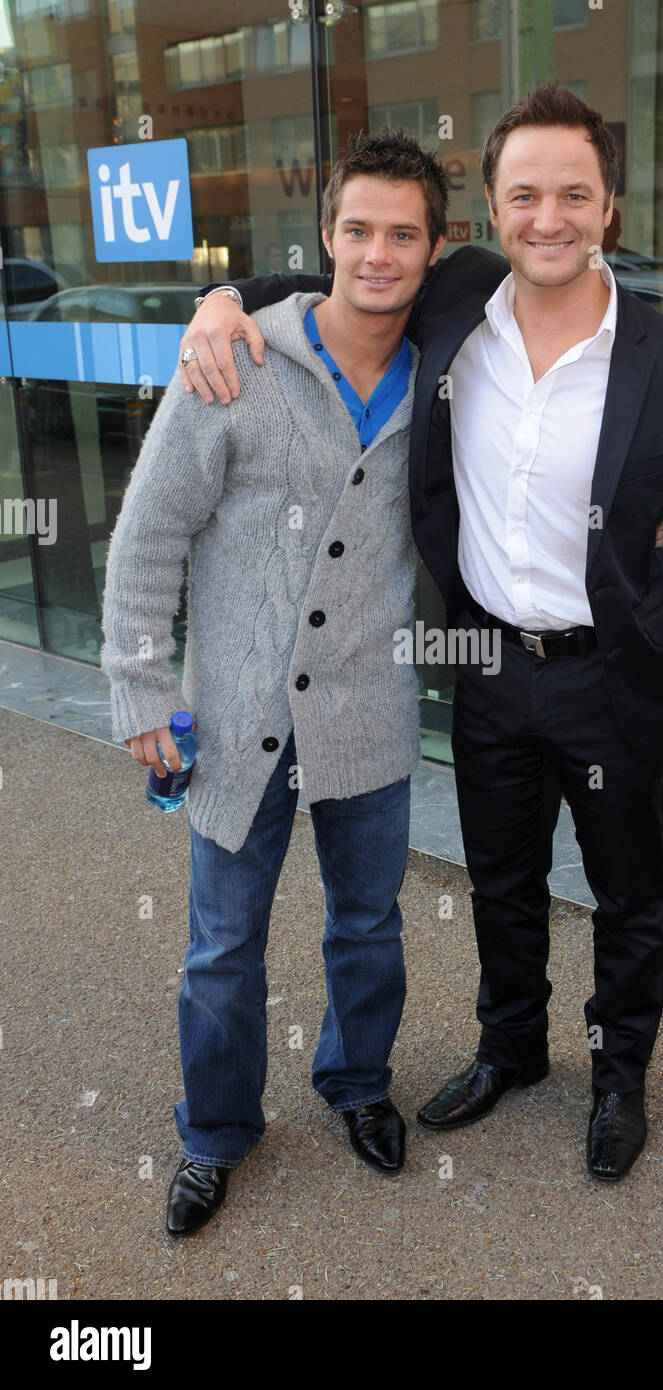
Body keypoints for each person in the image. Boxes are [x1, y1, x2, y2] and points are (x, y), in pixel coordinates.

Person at [179, 84, 663, 1185]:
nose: (547, 217)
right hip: (489, 663)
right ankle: (511, 1049)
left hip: (617, 675)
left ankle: (616, 1077)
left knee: (625, 894)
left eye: (573, 195)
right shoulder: (455, 297)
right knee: (500, 881)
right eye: (524, 195)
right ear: (492, 215)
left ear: (608, 207)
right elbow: (329, 280)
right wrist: (221, 300)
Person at [100, 130, 450, 1238]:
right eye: (359, 230)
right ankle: (213, 1132)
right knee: (221, 945)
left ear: (436, 249)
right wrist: (140, 688)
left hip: (369, 711)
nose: (378, 253)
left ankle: (355, 1084)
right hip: (239, 709)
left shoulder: (443, 372)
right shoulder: (237, 359)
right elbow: (150, 532)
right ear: (326, 238)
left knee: (367, 925)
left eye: (404, 233)